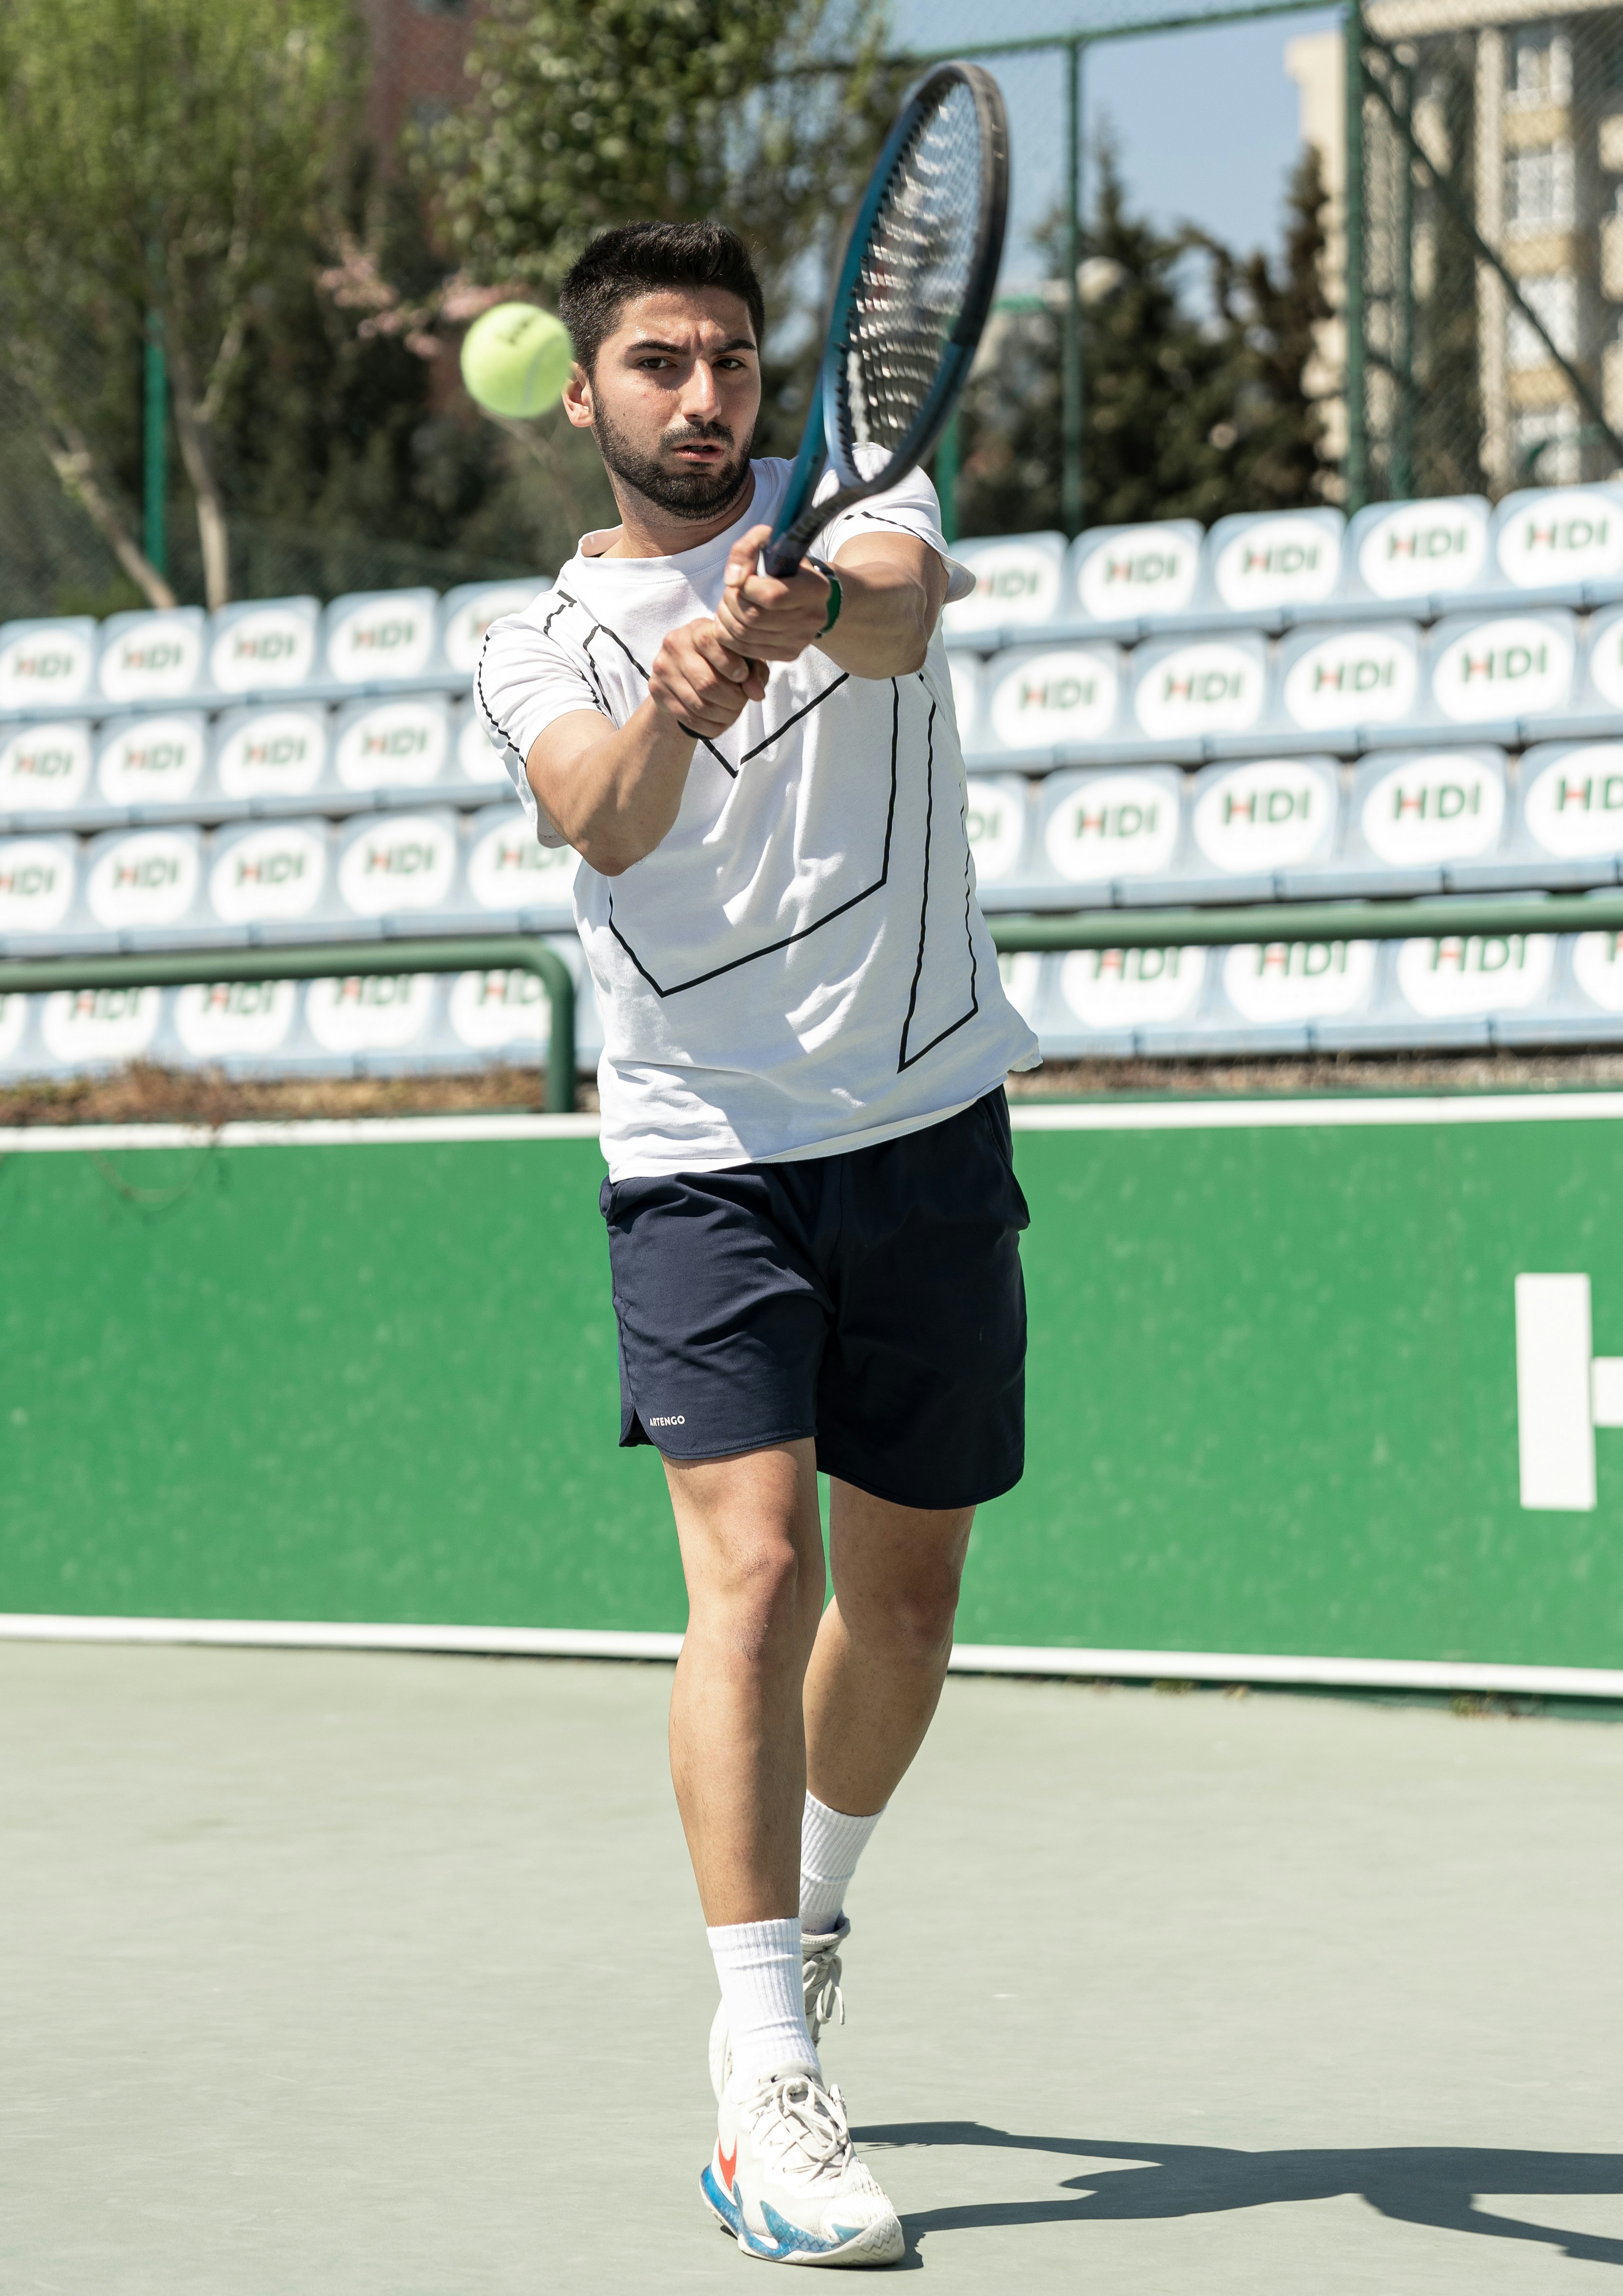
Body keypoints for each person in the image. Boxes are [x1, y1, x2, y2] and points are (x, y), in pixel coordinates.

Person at [477, 217, 1037, 2268]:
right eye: (657, 363)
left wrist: (785, 616)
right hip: (705, 1155)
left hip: (928, 1116)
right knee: (754, 1568)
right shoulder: (532, 636)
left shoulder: (863, 522)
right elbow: (604, 815)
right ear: (591, 396)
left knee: (903, 1607)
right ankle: (765, 2071)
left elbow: (897, 611)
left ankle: (806, 1919)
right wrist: (684, 692)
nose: (701, 395)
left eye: (726, 360)